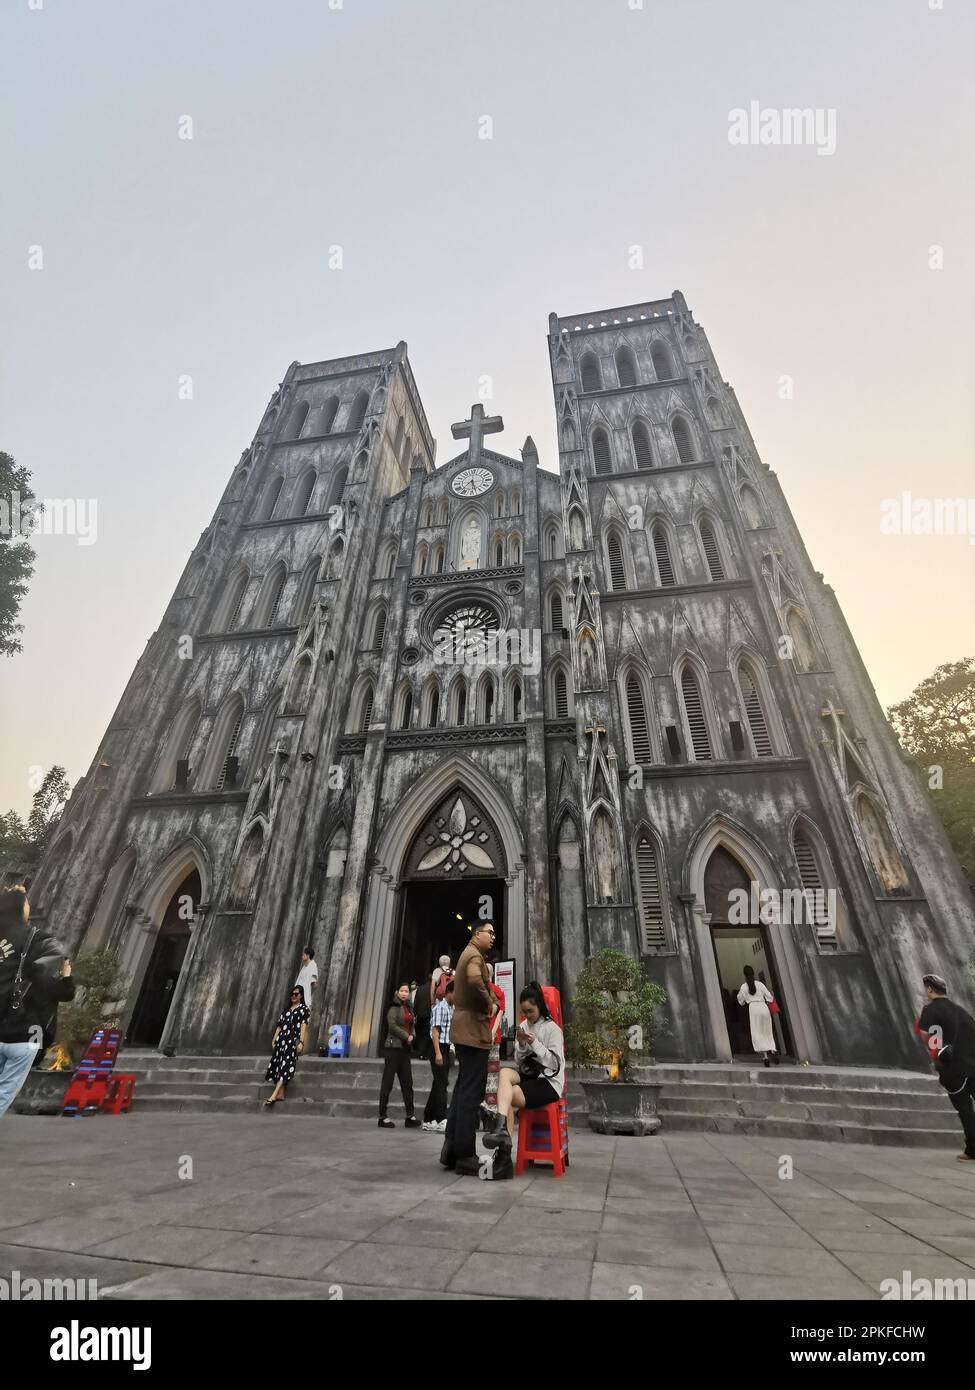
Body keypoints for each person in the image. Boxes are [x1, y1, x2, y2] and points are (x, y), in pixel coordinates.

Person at [0, 887, 73, 1120]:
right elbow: (59, 989)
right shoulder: (37, 940)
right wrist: (67, 976)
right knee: (4, 1092)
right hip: (23, 1032)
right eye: (27, 904)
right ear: (23, 909)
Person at [483, 982, 565, 1178]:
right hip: (529, 1075)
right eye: (524, 1012)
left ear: (539, 1006)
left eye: (530, 1011)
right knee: (504, 1074)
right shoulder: (523, 1025)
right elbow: (519, 1061)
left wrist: (535, 1043)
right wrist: (520, 1044)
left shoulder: (553, 1029)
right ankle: (502, 1128)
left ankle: (503, 1157)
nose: (527, 1015)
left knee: (508, 1097)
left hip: (549, 1082)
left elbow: (555, 1064)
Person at [441, 922, 498, 1175]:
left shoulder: (467, 953)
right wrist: (490, 1004)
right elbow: (476, 979)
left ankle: (451, 1150)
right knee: (471, 1094)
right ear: (477, 934)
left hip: (464, 1030)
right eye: (490, 932)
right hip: (473, 1031)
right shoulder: (474, 955)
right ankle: (465, 1154)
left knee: (463, 1089)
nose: (493, 936)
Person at [918, 972, 975, 1162]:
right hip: (973, 1066)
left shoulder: (931, 1010)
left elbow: (931, 1040)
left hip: (953, 1069)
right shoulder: (961, 1011)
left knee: (965, 1109)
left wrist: (940, 1069)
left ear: (929, 990)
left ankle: (972, 1150)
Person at [378, 982, 421, 1129]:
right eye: (402, 990)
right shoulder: (393, 1007)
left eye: (406, 991)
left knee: (407, 1083)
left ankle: (410, 1116)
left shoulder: (409, 1007)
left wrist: (412, 1036)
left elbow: (412, 1024)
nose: (404, 993)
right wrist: (406, 1036)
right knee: (387, 1083)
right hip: (393, 1048)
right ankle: (382, 1117)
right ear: (397, 992)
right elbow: (392, 1025)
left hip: (405, 1050)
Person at [263, 984, 309, 1108]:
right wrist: (274, 1040)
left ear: (301, 996)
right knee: (278, 1066)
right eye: (292, 994)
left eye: (296, 994)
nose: (293, 996)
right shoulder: (286, 1010)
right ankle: (280, 1094)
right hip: (281, 1040)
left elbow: (303, 1026)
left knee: (286, 1066)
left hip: (292, 1041)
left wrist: (301, 1042)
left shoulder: (304, 1009)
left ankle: (273, 1095)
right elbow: (279, 1025)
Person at [423, 980, 454, 1131]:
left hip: (446, 1047)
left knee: (439, 1083)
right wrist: (437, 1053)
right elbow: (435, 1032)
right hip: (438, 1047)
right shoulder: (440, 1008)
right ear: (449, 993)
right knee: (442, 1083)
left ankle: (428, 1118)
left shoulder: (450, 1008)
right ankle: (442, 1118)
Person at [480, 961, 506, 1126]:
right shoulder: (498, 991)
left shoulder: (478, 991)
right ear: (492, 974)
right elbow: (500, 1013)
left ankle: (476, 1114)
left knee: (477, 1074)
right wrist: (493, 1031)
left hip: (477, 1038)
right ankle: (489, 1114)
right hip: (493, 1038)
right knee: (492, 1077)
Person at [737, 965, 778, 1066]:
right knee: (767, 1031)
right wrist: (766, 1002)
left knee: (758, 1032)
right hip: (763, 1007)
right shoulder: (760, 984)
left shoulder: (744, 986)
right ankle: (773, 1051)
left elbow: (741, 1001)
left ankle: (765, 1057)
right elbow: (769, 997)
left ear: (744, 974)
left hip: (753, 1009)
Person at [412, 972, 434, 1060]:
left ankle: (421, 1052)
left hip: (420, 1015)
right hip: (430, 1015)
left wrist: (415, 1014)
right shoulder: (434, 989)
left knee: (421, 1034)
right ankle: (425, 1054)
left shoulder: (420, 989)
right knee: (428, 1035)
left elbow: (416, 1003)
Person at [295, 947, 318, 1012]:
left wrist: (307, 994)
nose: (302, 956)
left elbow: (315, 985)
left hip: (304, 1000)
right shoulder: (304, 967)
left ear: (308, 956)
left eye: (303, 955)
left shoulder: (313, 966)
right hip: (297, 998)